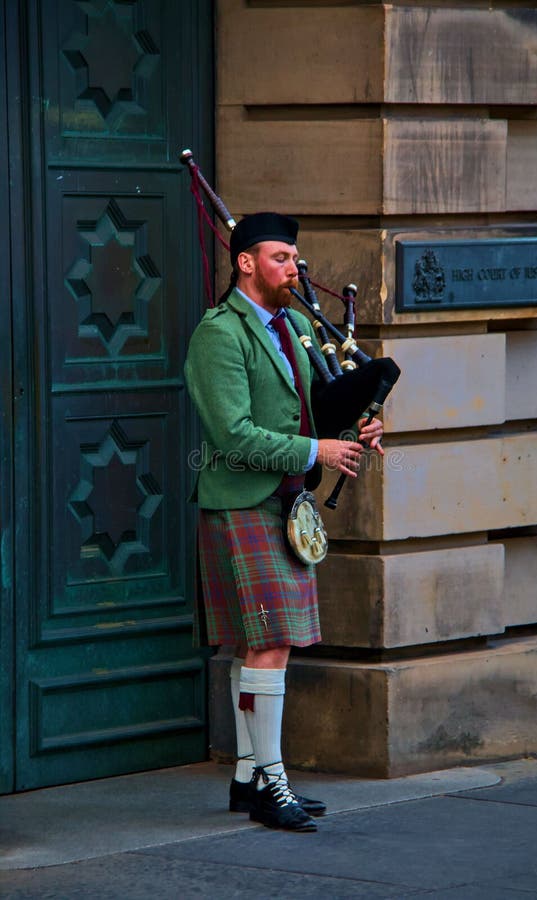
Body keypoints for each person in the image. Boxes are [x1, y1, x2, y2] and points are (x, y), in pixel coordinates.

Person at [184, 212, 384, 832]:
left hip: (287, 501)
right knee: (270, 643)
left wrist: (355, 429)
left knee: (264, 644)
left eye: (295, 258)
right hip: (242, 501)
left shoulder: (296, 324)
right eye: (279, 257)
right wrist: (315, 453)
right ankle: (272, 783)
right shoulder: (220, 334)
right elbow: (233, 435)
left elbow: (318, 408)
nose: (292, 268)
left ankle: (249, 778)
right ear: (244, 262)